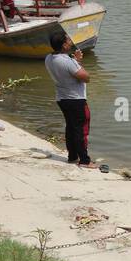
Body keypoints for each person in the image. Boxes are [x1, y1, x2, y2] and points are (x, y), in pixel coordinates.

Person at [45, 32, 94, 167]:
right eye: (68, 41)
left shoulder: (49, 58)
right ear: (64, 45)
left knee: (71, 128)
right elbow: (86, 77)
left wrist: (75, 62)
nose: (71, 42)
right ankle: (84, 160)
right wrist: (77, 62)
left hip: (62, 98)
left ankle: (72, 157)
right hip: (76, 99)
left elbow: (68, 73)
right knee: (81, 130)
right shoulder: (67, 61)